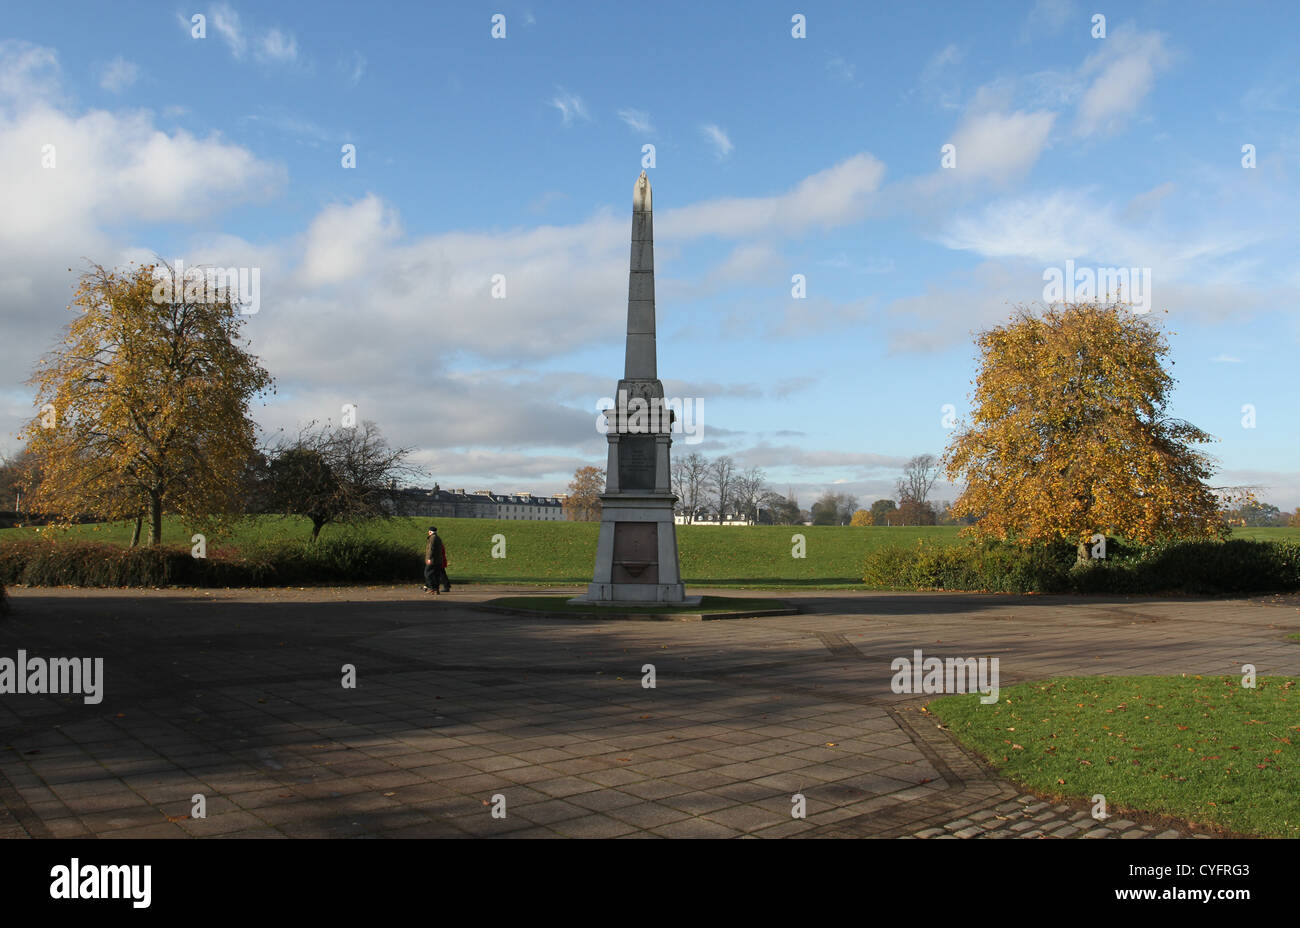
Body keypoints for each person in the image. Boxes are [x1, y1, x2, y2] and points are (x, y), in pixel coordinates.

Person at [424, 526, 451, 594]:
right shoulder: (438, 538)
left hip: (433, 560)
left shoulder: (432, 538)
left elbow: (431, 549)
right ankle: (436, 589)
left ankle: (431, 588)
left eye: (428, 531)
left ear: (430, 532)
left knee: (427, 573)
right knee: (436, 575)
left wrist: (429, 558)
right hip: (438, 561)